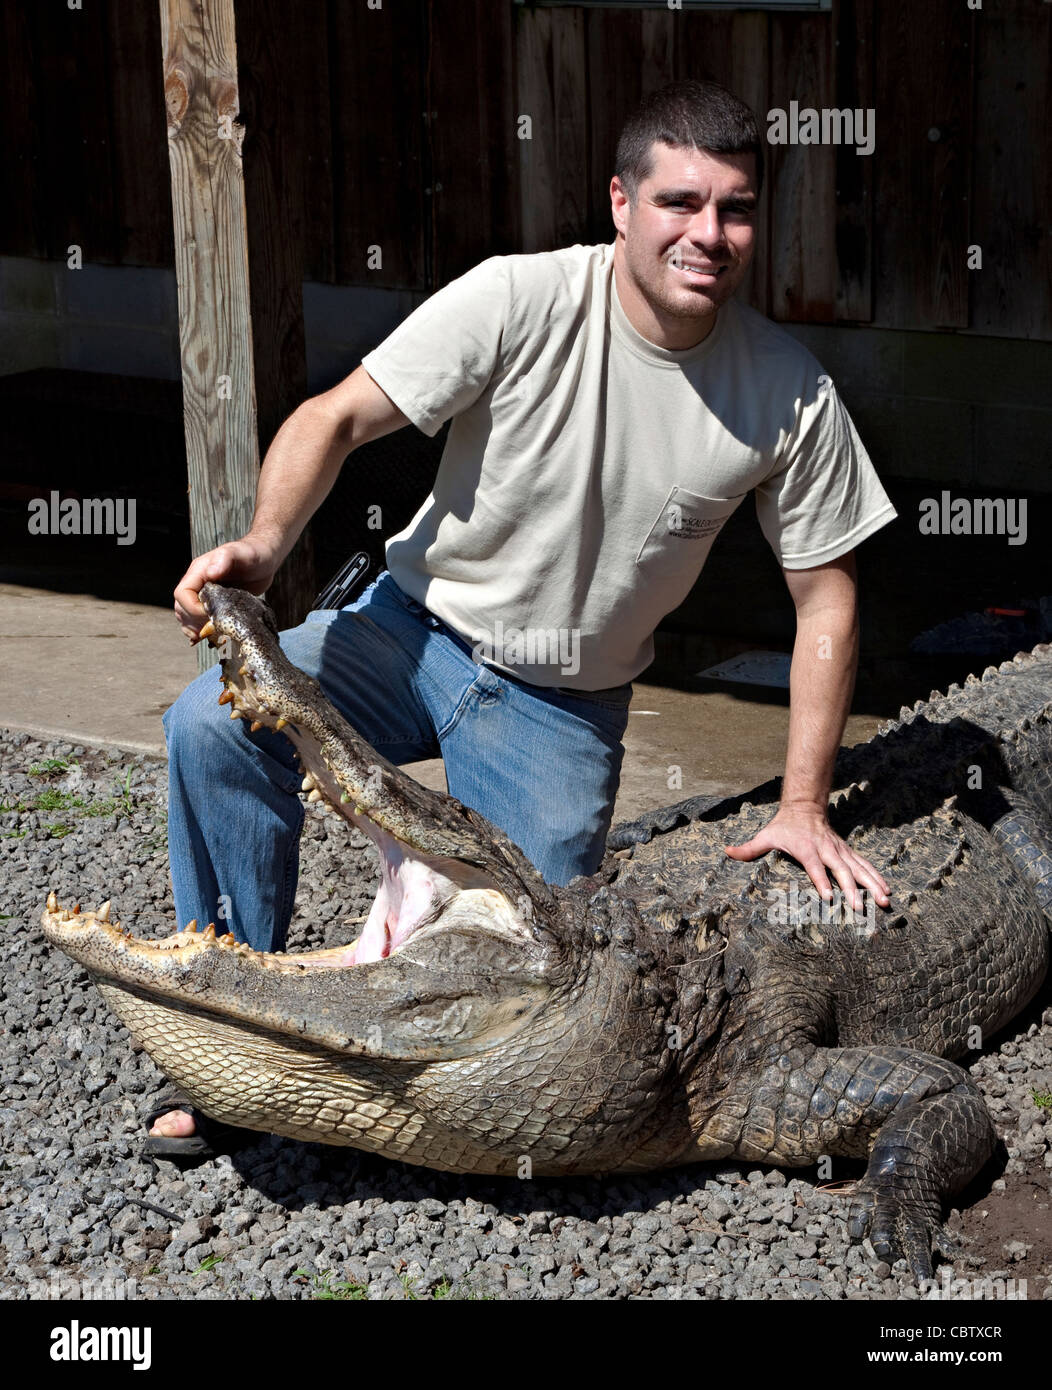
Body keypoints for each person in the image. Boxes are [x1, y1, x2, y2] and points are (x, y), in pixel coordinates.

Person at [148, 80, 895, 1150]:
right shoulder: (515, 297)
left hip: (559, 708)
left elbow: (826, 593)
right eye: (679, 202)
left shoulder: (786, 391)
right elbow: (337, 415)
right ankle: (216, 1033)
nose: (708, 233)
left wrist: (805, 801)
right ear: (620, 204)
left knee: (541, 989)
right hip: (406, 633)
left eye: (732, 209)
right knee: (210, 726)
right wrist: (264, 549)